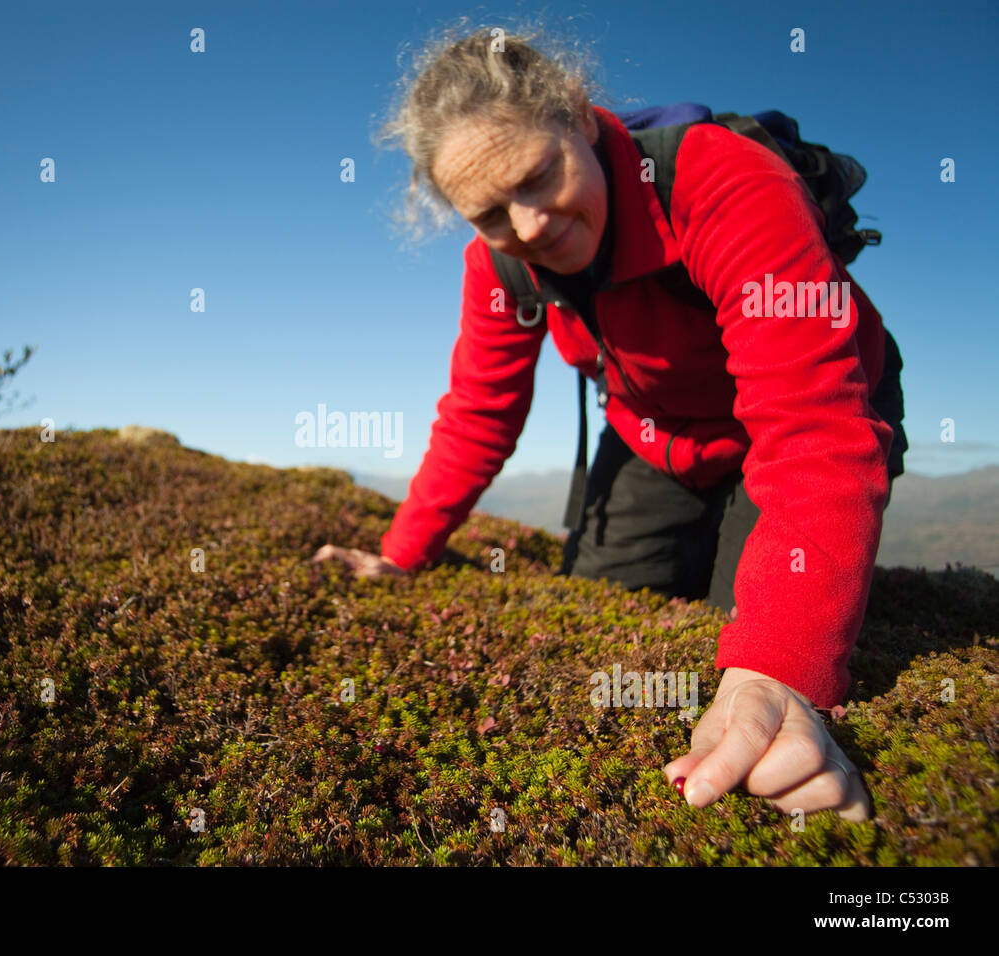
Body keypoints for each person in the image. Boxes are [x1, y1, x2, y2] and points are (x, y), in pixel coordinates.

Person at [314, 24, 909, 823]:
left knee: (755, 651)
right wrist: (400, 557)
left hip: (798, 422)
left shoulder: (722, 180)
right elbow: (478, 416)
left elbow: (814, 430)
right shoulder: (499, 265)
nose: (526, 229)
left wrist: (777, 672)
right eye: (488, 213)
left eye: (536, 177)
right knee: (603, 625)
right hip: (658, 437)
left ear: (581, 120)